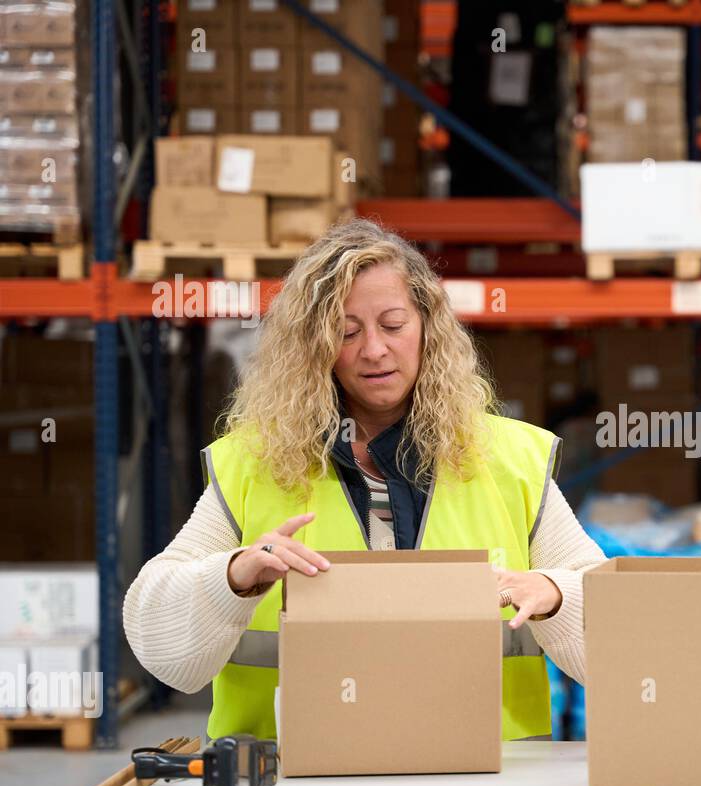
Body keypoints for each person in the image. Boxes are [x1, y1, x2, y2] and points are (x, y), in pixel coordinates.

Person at [124, 218, 604, 741]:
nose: (374, 349)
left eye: (394, 325)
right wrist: (231, 578)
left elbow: (619, 648)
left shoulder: (509, 460)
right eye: (346, 332)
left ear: (428, 327)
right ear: (313, 346)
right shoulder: (253, 463)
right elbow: (164, 652)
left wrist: (557, 593)